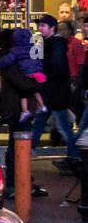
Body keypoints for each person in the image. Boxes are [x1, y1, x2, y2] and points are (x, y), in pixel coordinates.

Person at [0, 28, 49, 199]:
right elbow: (23, 83)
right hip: (17, 109)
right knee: (17, 146)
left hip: (15, 107)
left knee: (17, 145)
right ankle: (15, 184)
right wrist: (37, 82)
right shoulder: (11, 60)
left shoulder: (9, 58)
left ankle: (21, 181)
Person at [30, 13, 79, 166]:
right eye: (40, 25)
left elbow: (55, 68)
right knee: (40, 123)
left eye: (43, 26)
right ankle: (26, 151)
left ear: (52, 28)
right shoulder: (49, 43)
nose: (40, 28)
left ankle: (75, 157)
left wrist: (41, 75)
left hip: (55, 94)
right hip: (51, 93)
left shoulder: (56, 44)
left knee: (63, 128)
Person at [0, 27, 46, 123]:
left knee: (17, 133)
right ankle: (42, 106)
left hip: (13, 103)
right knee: (22, 133)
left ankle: (32, 109)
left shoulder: (11, 54)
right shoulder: (31, 50)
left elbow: (18, 80)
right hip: (19, 103)